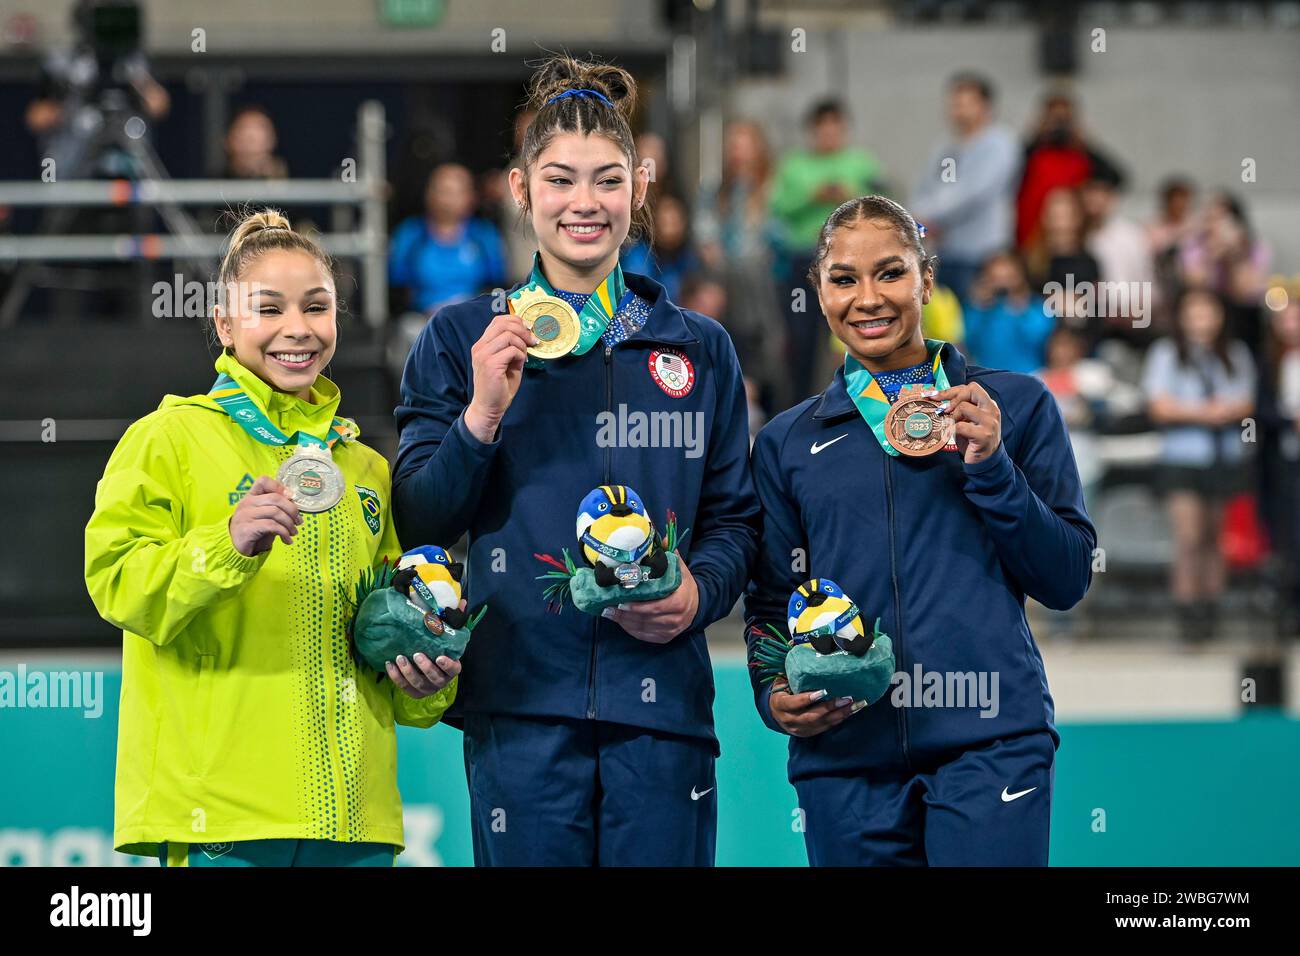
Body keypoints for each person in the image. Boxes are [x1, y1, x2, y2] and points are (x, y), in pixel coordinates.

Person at [392, 55, 759, 866]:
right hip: (518, 705)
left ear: (639, 188)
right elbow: (420, 519)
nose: (583, 204)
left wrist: (699, 594)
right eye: (559, 180)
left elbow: (736, 520)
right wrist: (483, 411)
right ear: (520, 190)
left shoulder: (699, 349)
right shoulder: (460, 339)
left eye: (606, 180)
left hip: (662, 712)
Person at [84, 209, 460, 867]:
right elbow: (117, 583)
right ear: (224, 325)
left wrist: (426, 675)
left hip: (355, 822)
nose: (298, 329)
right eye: (269, 309)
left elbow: (393, 638)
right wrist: (226, 543)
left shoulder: (366, 470)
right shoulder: (168, 438)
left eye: (317, 307)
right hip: (223, 818)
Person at [744, 195, 1094, 866]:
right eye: (844, 278)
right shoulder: (787, 442)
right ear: (818, 292)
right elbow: (768, 606)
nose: (868, 298)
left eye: (891, 272)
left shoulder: (1013, 407)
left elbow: (1068, 576)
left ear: (927, 280)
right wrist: (770, 692)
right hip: (845, 758)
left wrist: (992, 467)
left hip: (991, 743)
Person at [1142, 286, 1256, 643]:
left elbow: (1247, 401)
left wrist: (1227, 410)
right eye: (1194, 312)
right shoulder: (1166, 353)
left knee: (1214, 537)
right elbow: (1159, 405)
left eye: (1208, 312)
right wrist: (1204, 413)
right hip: (1182, 456)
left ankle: (1211, 607)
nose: (1201, 320)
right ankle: (1187, 611)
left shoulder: (1234, 353)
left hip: (1223, 456)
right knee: (1188, 537)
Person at [770, 99, 885, 403]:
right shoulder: (795, 165)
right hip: (804, 262)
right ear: (812, 131)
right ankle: (798, 404)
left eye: (836, 129)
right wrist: (813, 196)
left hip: (850, 262)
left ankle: (856, 403)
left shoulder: (861, 163)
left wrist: (850, 194)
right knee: (801, 337)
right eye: (823, 130)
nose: (829, 136)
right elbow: (778, 207)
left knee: (852, 334)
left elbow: (881, 203)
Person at [908, 72, 1021, 304]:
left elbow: (974, 192)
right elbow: (923, 191)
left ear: (986, 106)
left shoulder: (1000, 143)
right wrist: (918, 220)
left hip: (984, 254)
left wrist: (929, 217)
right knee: (948, 326)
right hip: (945, 253)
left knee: (978, 325)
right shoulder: (944, 147)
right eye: (955, 104)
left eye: (966, 103)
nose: (958, 110)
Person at [388, 163, 508, 314]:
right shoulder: (410, 234)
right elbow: (396, 291)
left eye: (455, 192)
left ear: (471, 197)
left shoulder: (484, 235)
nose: (447, 200)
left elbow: (498, 287)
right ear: (428, 195)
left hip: (474, 320)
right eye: (442, 191)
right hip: (420, 322)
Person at [963, 249, 1054, 373]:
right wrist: (978, 306)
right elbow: (968, 340)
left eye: (1008, 278)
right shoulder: (978, 309)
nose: (1002, 285)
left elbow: (1041, 339)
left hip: (1030, 376)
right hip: (987, 377)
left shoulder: (1035, 306)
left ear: (1021, 277)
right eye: (995, 278)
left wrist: (1020, 307)